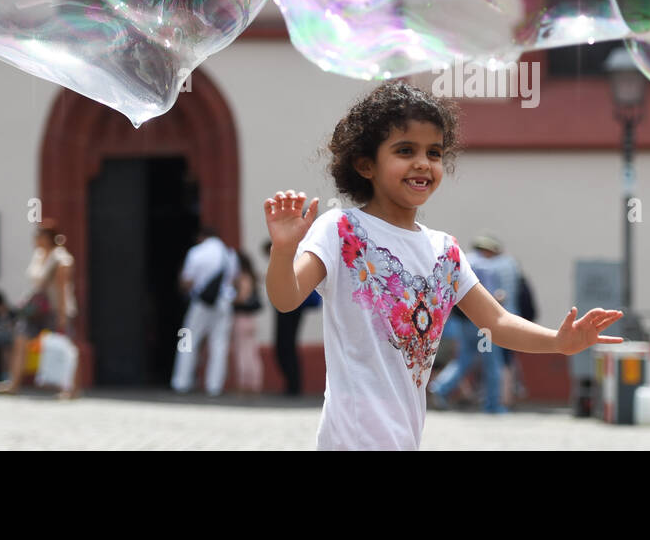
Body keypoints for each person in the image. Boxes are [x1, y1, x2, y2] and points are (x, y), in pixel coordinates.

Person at [264, 80, 624, 450]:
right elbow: (286, 298)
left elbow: (496, 322)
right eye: (405, 150)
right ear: (365, 164)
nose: (423, 163)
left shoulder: (444, 250)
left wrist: (559, 342)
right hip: (351, 440)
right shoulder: (342, 230)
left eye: (434, 153)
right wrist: (283, 251)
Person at [429, 233, 518, 413]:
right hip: (482, 325)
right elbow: (487, 298)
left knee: (464, 359)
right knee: (492, 361)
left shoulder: (464, 261)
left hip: (463, 323)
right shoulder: (487, 267)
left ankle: (440, 387)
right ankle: (493, 404)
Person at [0, 224, 78, 398]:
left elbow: (61, 290)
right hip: (36, 309)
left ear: (48, 238)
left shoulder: (61, 259)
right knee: (20, 339)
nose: (35, 240)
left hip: (54, 309)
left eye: (39, 236)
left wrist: (62, 315)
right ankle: (13, 383)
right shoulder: (39, 255)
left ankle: (71, 388)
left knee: (65, 347)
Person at [170, 226, 237, 396]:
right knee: (219, 343)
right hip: (223, 302)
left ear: (202, 237)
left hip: (200, 303)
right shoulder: (229, 255)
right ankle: (214, 386)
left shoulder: (196, 253)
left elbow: (187, 282)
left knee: (187, 340)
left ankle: (181, 381)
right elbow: (233, 280)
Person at [266, 238, 318, 396]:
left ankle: (293, 386)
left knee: (285, 345)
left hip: (294, 302)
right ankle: (292, 385)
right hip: (293, 301)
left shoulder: (304, 244)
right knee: (285, 345)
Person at [230, 249, 264, 394]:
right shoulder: (252, 276)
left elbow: (242, 297)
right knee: (252, 352)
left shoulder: (242, 277)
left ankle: (244, 384)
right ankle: (255, 383)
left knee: (242, 353)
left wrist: (230, 300)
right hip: (251, 320)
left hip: (242, 319)